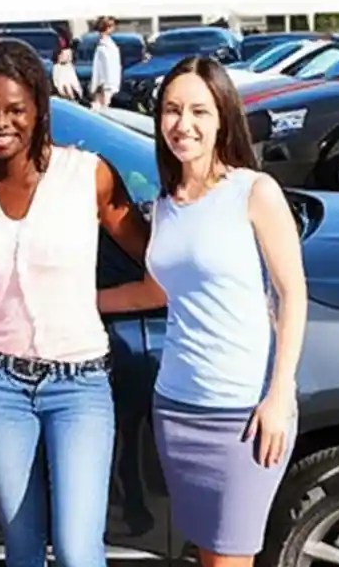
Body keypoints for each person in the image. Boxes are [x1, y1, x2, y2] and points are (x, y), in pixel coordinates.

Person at [0, 39, 150, 567]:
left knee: (78, 552)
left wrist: (95, 300)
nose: (1, 123)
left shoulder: (86, 175)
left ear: (39, 110)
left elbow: (159, 262)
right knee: (22, 549)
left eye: (15, 110)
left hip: (79, 385)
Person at [97, 56, 307, 567]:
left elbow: (292, 293)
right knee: (208, 556)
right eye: (171, 110)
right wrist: (82, 302)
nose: (182, 124)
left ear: (221, 119)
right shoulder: (168, 204)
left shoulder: (253, 192)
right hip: (177, 407)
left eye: (198, 111)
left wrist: (279, 395)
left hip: (243, 414)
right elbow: (157, 289)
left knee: (232, 559)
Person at [88, 17, 121, 111]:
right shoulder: (103, 47)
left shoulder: (106, 44)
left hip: (109, 83)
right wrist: (102, 84)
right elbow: (102, 68)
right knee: (104, 107)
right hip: (106, 84)